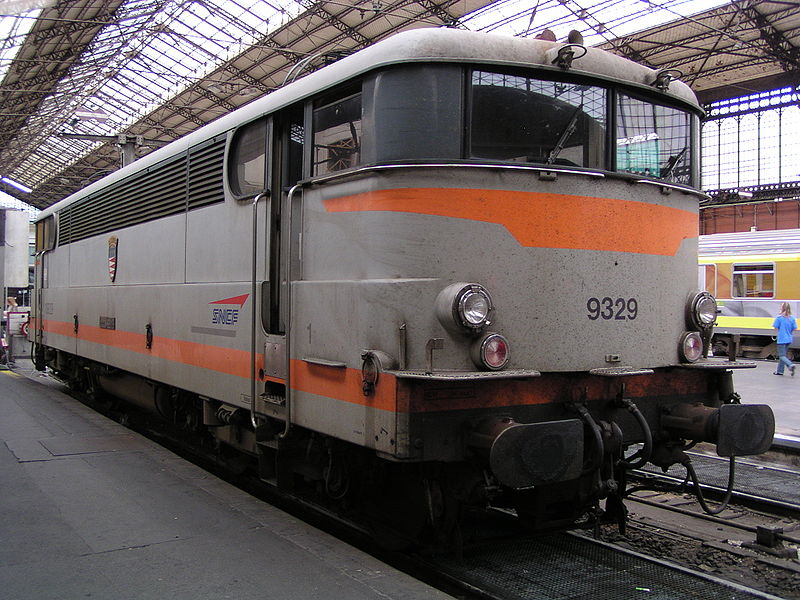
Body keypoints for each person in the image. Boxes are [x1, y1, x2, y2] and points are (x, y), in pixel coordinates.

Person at [772, 302, 797, 376]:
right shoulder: (792, 318)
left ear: (782, 308)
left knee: (782, 356)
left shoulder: (779, 318)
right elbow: (794, 328)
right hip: (789, 339)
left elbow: (775, 327)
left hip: (782, 339)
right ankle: (780, 371)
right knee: (784, 355)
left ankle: (790, 365)